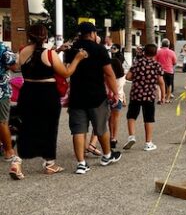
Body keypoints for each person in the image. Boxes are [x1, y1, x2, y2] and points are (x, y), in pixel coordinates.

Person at [12, 23, 86, 179]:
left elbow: (30, 62)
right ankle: (49, 163)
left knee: (26, 127)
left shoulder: (23, 52)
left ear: (29, 36)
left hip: (28, 92)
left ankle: (17, 162)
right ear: (45, 36)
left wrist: (57, 50)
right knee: (49, 128)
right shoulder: (49, 54)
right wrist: (78, 59)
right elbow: (66, 72)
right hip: (47, 94)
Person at [64, 22, 121, 175]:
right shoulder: (99, 49)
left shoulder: (72, 49)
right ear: (92, 33)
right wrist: (116, 93)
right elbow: (109, 73)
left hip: (76, 96)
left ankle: (81, 163)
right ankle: (107, 156)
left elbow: (66, 69)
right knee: (101, 127)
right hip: (96, 96)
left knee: (78, 130)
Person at [123, 42, 165, 151]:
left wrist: (137, 79)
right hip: (149, 95)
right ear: (155, 53)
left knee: (131, 115)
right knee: (149, 118)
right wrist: (163, 97)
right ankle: (148, 142)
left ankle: (131, 136)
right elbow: (161, 82)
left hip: (136, 93)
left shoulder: (137, 63)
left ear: (144, 52)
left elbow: (128, 77)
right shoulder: (157, 65)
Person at [0, 40, 19, 164]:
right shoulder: (2, 49)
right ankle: (9, 152)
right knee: (2, 121)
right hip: (1, 91)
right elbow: (14, 66)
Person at [108, 45, 126, 150]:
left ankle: (110, 136)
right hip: (118, 98)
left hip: (109, 98)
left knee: (109, 119)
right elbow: (122, 89)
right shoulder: (122, 77)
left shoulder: (108, 76)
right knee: (115, 119)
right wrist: (124, 98)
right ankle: (114, 137)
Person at [155, 38, 177, 103]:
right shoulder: (172, 52)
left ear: (162, 44)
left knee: (159, 84)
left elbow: (155, 61)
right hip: (169, 70)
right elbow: (175, 62)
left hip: (160, 70)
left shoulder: (158, 52)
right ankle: (167, 99)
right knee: (169, 85)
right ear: (168, 45)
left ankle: (160, 98)